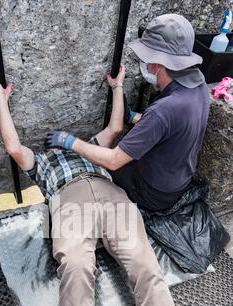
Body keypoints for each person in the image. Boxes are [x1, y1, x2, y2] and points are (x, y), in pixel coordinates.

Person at [0, 60, 231, 306]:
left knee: (145, 265)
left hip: (111, 197)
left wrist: (117, 87)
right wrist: (0, 98)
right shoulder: (43, 162)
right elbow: (12, 146)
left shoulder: (91, 148)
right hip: (68, 204)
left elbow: (116, 129)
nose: (64, 137)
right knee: (75, 269)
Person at [45, 14, 210, 212]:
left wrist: (70, 141)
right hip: (178, 180)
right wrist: (132, 115)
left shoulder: (163, 110)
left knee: (100, 174)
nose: (146, 65)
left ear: (158, 65)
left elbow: (114, 160)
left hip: (152, 193)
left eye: (147, 59)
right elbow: (172, 126)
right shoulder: (199, 85)